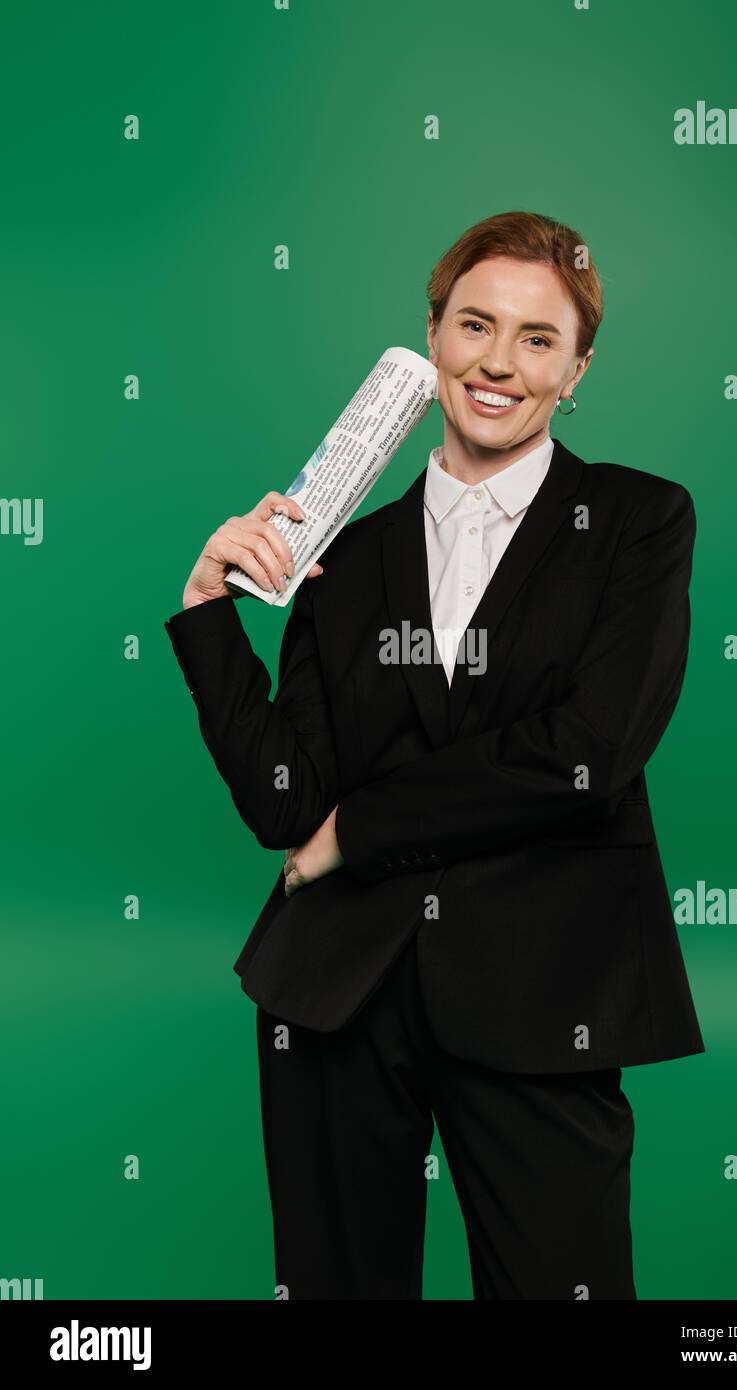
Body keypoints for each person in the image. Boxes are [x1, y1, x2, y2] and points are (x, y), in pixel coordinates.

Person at [164, 210, 705, 1300]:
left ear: (576, 369)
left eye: (536, 338)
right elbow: (286, 804)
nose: (498, 361)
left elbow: (584, 759)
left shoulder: (637, 521)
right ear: (430, 337)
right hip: (335, 996)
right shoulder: (346, 555)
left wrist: (358, 832)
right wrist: (208, 611)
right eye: (474, 324)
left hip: (544, 991)